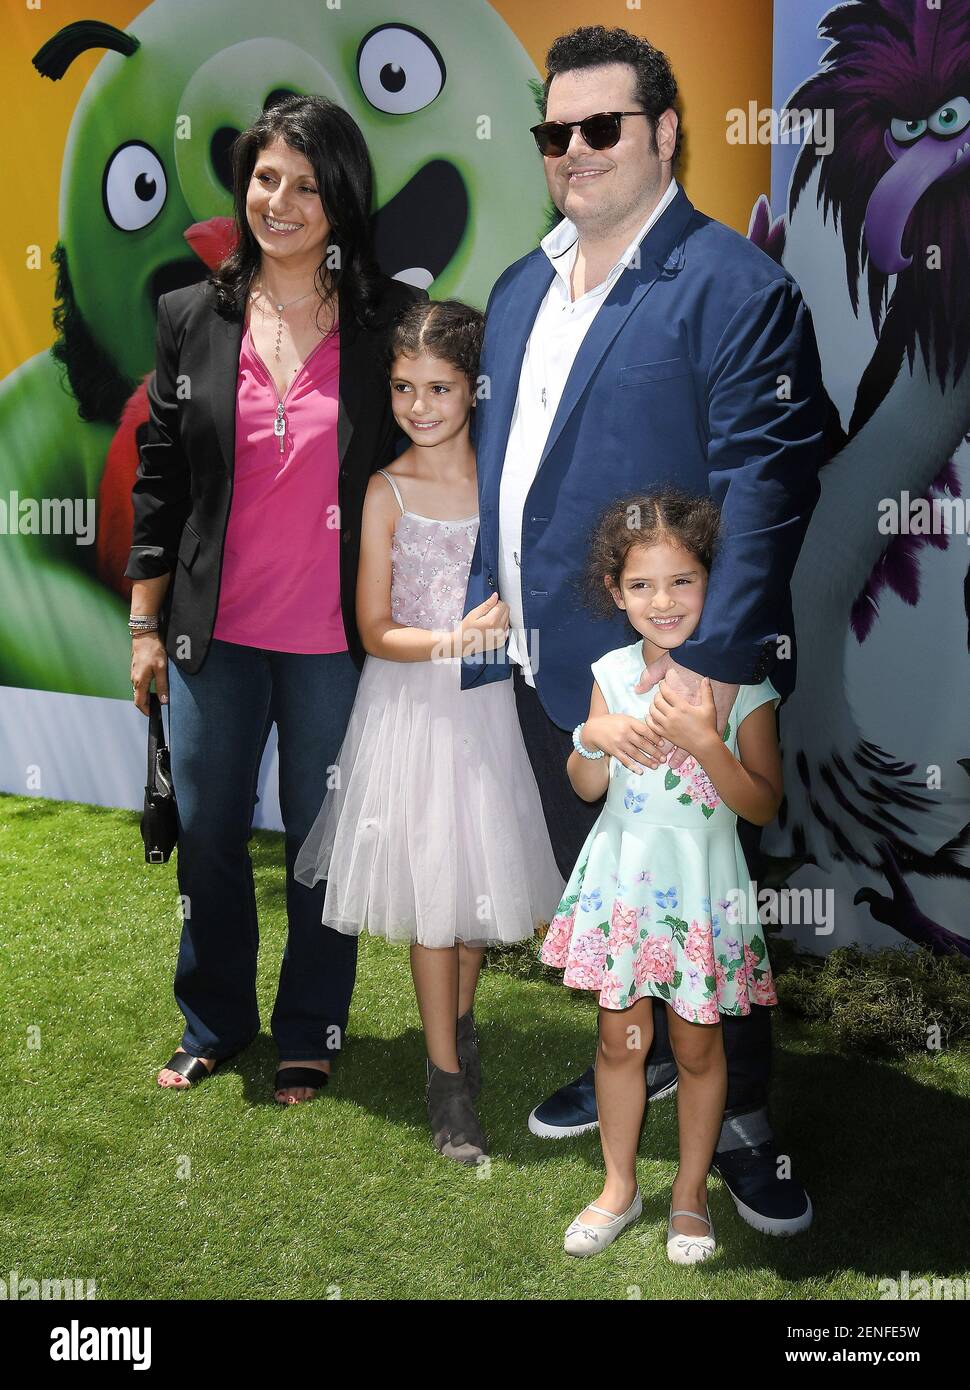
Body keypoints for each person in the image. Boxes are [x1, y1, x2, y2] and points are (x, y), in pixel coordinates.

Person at [460, 25, 827, 1233]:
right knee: (615, 888)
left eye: (600, 126)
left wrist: (713, 673)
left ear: (665, 133)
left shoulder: (734, 286)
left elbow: (769, 479)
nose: (573, 150)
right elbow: (508, 463)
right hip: (555, 674)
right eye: (553, 132)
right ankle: (643, 1052)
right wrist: (487, 584)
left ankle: (748, 1121)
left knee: (708, 902)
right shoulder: (521, 285)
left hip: (682, 688)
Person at [126, 95, 422, 1104]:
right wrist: (142, 623)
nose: (280, 201)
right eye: (264, 178)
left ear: (339, 200)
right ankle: (213, 1020)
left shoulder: (389, 329)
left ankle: (311, 1027)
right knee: (207, 833)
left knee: (319, 843)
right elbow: (158, 483)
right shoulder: (188, 319)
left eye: (304, 183)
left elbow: (421, 474)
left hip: (335, 643)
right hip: (214, 636)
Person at [294, 300, 564, 1162]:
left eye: (439, 387)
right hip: (411, 707)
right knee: (434, 903)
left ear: (473, 388)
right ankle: (445, 1081)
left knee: (474, 890)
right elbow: (373, 628)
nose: (419, 405)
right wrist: (452, 640)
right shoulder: (386, 490)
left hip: (486, 712)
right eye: (405, 387)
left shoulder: (503, 481)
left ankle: (458, 1024)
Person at [541, 489, 782, 1260]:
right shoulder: (610, 672)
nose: (663, 600)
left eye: (683, 580)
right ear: (616, 593)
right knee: (620, 1044)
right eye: (642, 585)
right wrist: (591, 732)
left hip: (703, 894)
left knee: (700, 1048)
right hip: (626, 889)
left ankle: (688, 1194)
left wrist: (710, 745)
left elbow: (762, 806)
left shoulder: (742, 679)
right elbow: (584, 786)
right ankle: (619, 1185)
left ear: (713, 580)